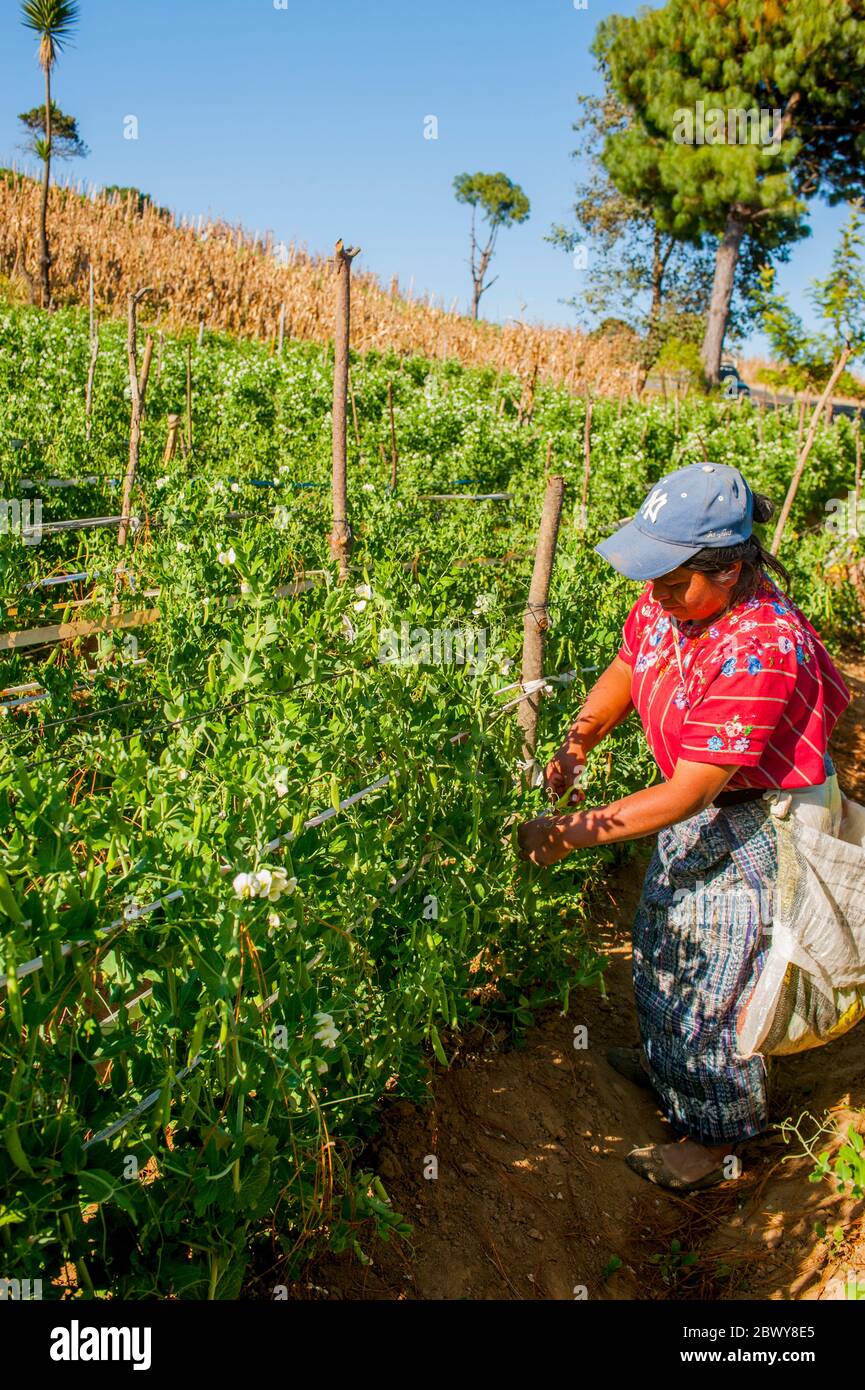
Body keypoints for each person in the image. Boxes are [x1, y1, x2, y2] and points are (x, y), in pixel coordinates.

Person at [517, 463, 851, 1191]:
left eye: (672, 581)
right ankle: (672, 1062)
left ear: (728, 570)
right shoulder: (670, 601)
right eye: (655, 578)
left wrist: (568, 831)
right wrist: (580, 739)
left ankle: (715, 1138)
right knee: (663, 935)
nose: (657, 595)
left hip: (755, 822)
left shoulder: (761, 647)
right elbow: (627, 665)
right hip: (698, 807)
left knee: (718, 972)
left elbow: (692, 791)